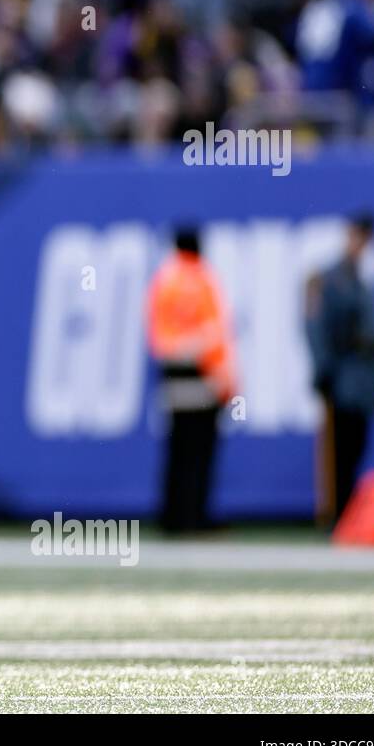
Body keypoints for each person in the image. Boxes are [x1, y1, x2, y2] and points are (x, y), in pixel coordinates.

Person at [145, 227, 236, 534]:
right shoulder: (202, 280)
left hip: (173, 377)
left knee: (177, 450)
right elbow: (215, 335)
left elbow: (159, 340)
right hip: (202, 377)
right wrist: (225, 377)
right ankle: (196, 516)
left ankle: (172, 517)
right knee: (201, 452)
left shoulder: (164, 280)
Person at [305, 214, 374, 524]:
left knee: (356, 445)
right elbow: (315, 327)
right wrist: (323, 369)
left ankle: (348, 516)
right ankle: (336, 516)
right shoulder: (326, 279)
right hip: (340, 377)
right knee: (339, 451)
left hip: (361, 381)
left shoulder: (360, 281)